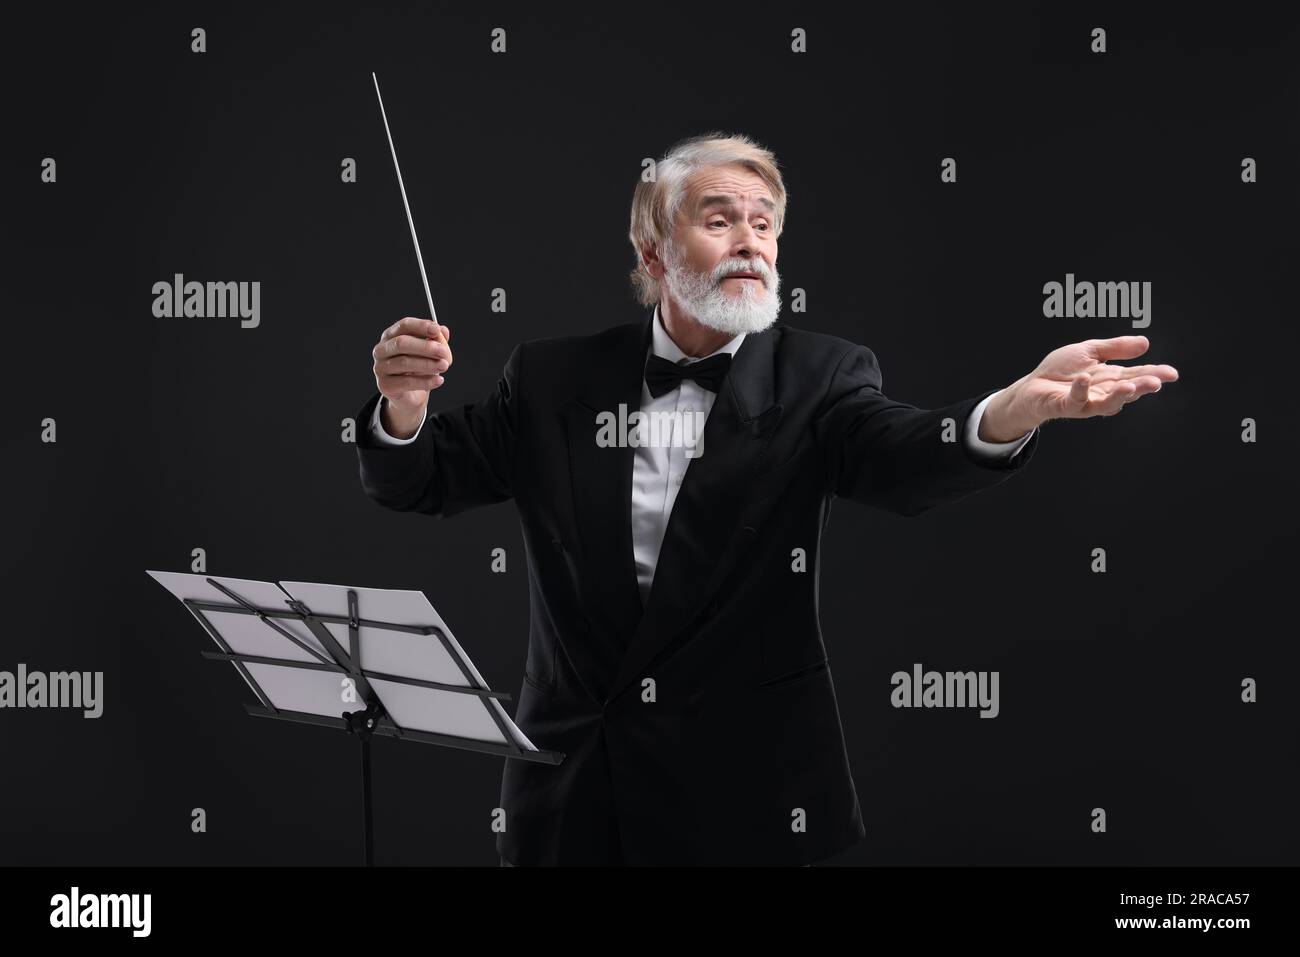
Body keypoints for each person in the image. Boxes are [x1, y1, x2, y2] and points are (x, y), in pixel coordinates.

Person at [354, 133, 1178, 866]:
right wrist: (404, 409)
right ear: (652, 253)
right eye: (719, 220)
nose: (750, 240)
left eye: (763, 223)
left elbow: (904, 457)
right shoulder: (550, 378)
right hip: (571, 798)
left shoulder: (824, 374)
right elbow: (420, 478)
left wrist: (1016, 407)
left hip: (750, 798)